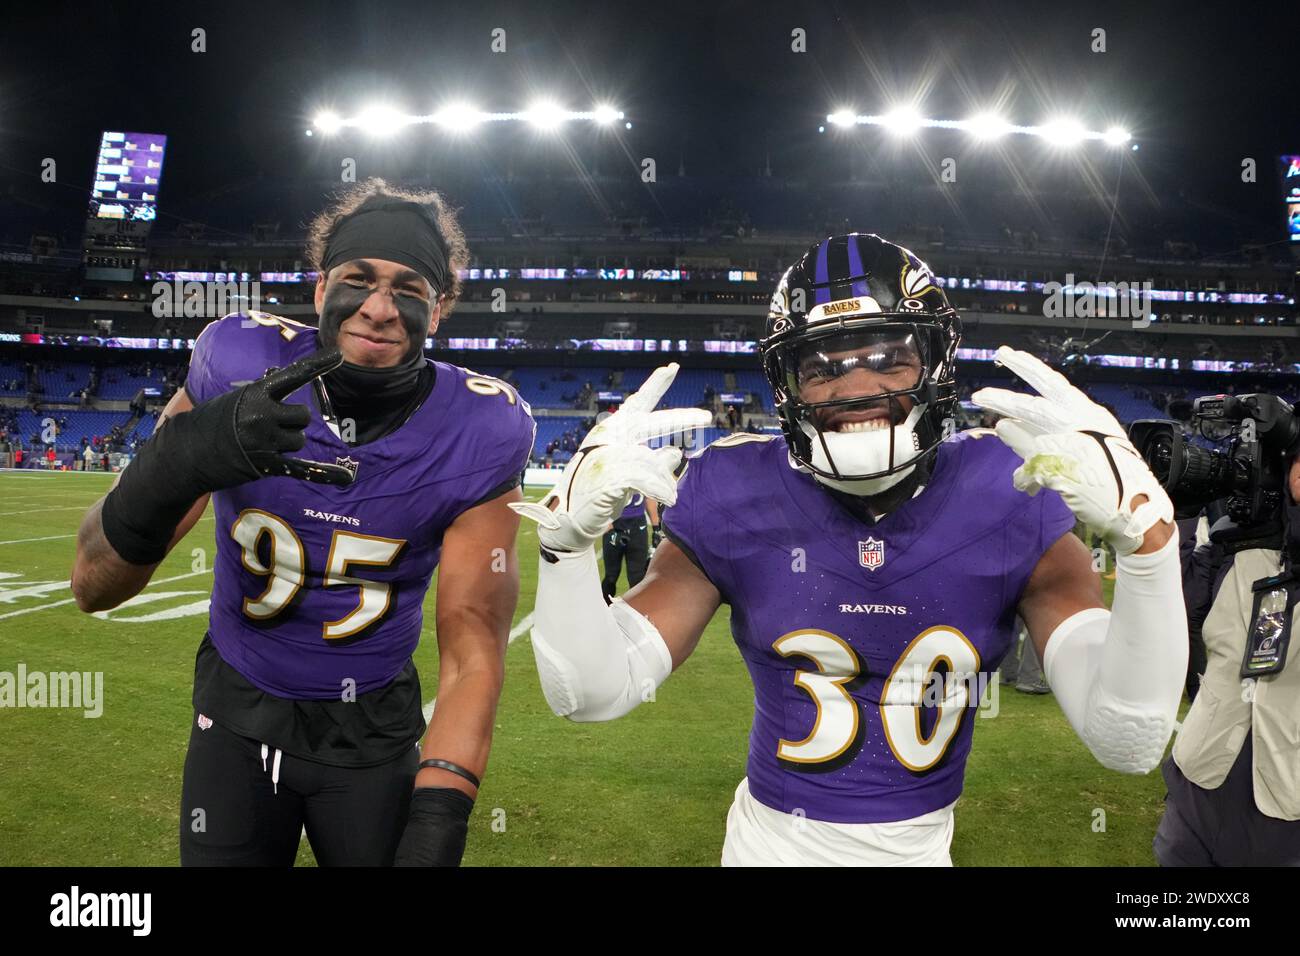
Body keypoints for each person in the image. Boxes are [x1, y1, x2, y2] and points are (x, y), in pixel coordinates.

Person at [511, 233, 1188, 866]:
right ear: (787, 386)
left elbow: (1125, 738)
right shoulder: (735, 487)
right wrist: (565, 550)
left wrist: (1150, 550)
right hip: (768, 849)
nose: (857, 386)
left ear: (935, 361)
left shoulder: (1007, 488)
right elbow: (592, 693)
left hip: (922, 852)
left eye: (888, 356)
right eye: (822, 365)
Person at [71, 179, 535, 867]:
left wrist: (441, 815)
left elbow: (472, 644)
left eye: (409, 288)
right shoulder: (237, 361)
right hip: (234, 705)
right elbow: (94, 583)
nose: (379, 308)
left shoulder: (483, 426)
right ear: (321, 291)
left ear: (438, 309)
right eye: (359, 279)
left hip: (372, 733)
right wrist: (183, 459)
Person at [599, 492, 660, 599]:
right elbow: (599, 498)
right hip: (615, 524)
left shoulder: (643, 475)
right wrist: (609, 527)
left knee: (637, 577)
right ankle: (602, 611)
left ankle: (636, 612)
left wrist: (656, 529)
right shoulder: (611, 475)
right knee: (611, 577)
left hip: (638, 526)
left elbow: (649, 497)